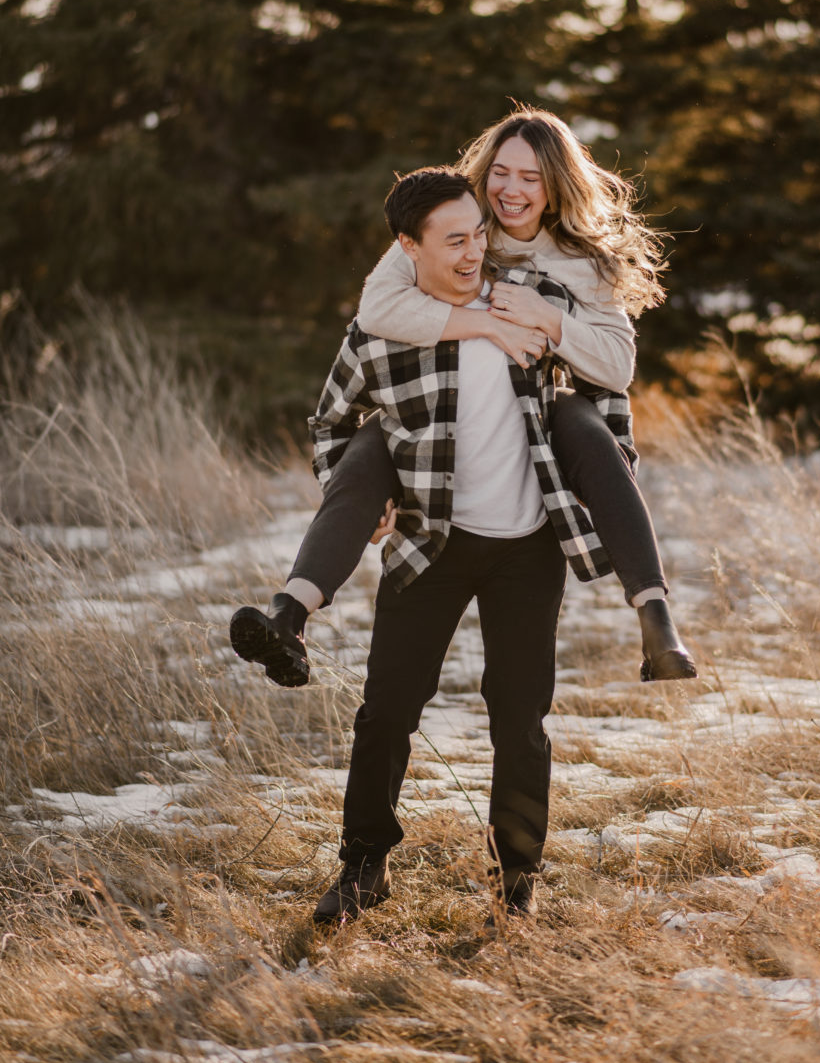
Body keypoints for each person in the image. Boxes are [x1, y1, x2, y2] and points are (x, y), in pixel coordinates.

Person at [237, 166, 636, 925]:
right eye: (453, 241)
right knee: (387, 709)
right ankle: (363, 868)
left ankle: (515, 882)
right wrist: (362, 502)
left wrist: (607, 480)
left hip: (527, 548)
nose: (471, 252)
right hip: (429, 543)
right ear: (406, 248)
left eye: (478, 235)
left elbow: (607, 399)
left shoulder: (532, 307)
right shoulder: (384, 330)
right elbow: (331, 423)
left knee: (518, 717)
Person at [230, 110, 696, 689]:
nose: (510, 189)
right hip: (441, 424)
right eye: (500, 172)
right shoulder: (457, 220)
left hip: (539, 424)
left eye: (530, 177)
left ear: (556, 185)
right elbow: (377, 310)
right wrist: (487, 327)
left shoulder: (584, 263)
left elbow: (615, 366)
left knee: (582, 423)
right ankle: (289, 617)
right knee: (374, 440)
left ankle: (656, 621)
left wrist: (546, 318)